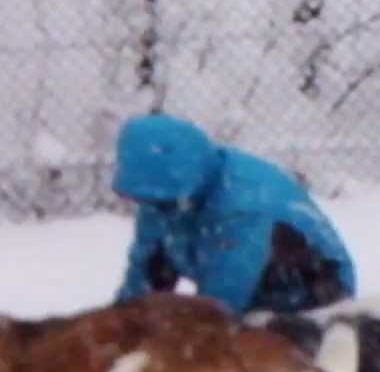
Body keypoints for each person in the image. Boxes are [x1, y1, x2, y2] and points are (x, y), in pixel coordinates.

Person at [111, 113, 357, 316]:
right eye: (146, 200)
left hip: (307, 296)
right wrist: (120, 328)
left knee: (215, 353)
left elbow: (222, 303)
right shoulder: (164, 199)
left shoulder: (245, 206)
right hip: (237, 291)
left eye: (163, 201)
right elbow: (144, 275)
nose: (153, 208)